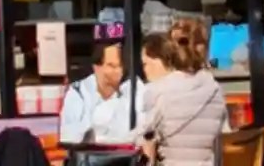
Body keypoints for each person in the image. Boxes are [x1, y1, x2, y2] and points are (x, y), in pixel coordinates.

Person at [137, 33, 227, 166]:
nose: (145, 71)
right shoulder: (214, 89)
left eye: (145, 64)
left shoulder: (155, 91)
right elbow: (222, 140)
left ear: (158, 60)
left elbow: (145, 142)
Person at [58, 41, 145, 144]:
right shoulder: (78, 93)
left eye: (120, 66)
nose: (118, 71)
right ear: (96, 67)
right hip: (88, 157)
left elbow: (142, 131)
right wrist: (94, 124)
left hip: (124, 157)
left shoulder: (133, 89)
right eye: (111, 66)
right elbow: (67, 137)